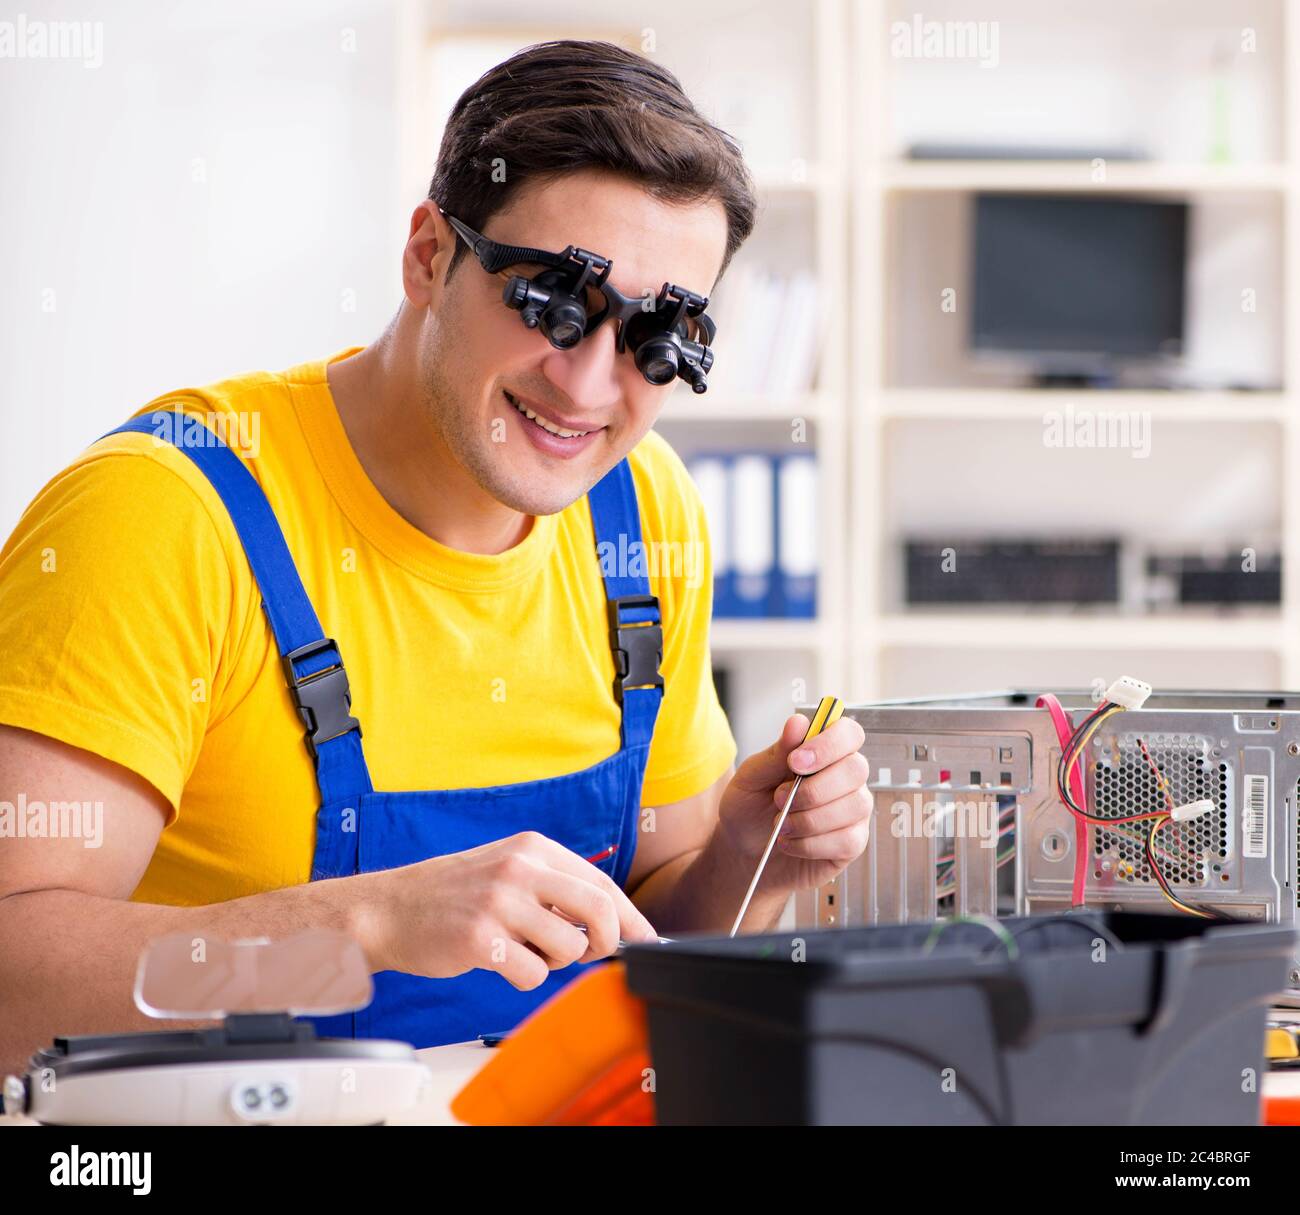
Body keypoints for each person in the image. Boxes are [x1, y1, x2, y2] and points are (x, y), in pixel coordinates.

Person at [0, 39, 871, 1062]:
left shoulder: (639, 512)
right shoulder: (166, 515)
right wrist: (356, 933)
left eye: (655, 337)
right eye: (550, 301)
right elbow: (15, 982)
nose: (589, 387)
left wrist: (744, 854)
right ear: (428, 256)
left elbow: (652, 953)